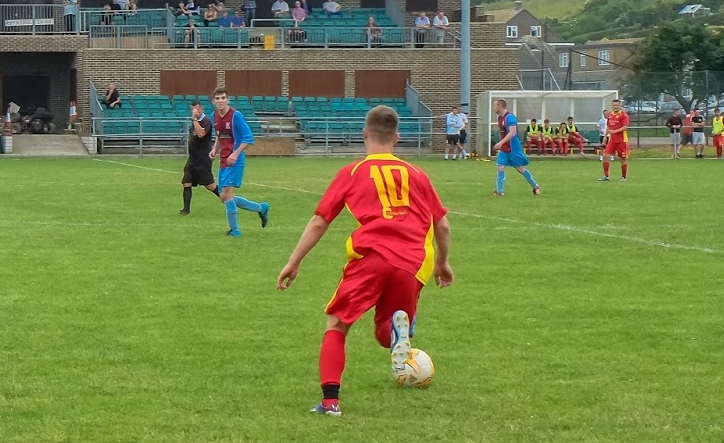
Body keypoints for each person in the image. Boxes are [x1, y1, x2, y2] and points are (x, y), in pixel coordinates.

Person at [276, 105, 454, 418]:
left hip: (371, 257)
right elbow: (442, 224)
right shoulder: (417, 174)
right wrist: (442, 263)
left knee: (337, 324)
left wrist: (294, 261)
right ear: (397, 137)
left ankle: (331, 403)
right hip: (412, 262)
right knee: (386, 333)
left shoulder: (353, 172)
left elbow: (320, 221)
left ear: (364, 134)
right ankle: (402, 332)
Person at [209, 88, 269, 236]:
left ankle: (235, 231)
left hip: (235, 161)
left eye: (223, 98)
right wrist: (214, 149)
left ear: (228, 100)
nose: (221, 101)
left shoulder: (236, 116)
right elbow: (220, 135)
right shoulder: (214, 116)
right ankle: (260, 208)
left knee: (227, 194)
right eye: (218, 98)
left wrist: (235, 154)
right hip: (223, 160)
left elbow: (248, 138)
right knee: (224, 197)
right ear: (213, 101)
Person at [491, 98, 542, 196]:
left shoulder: (509, 117)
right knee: (500, 167)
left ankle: (535, 186)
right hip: (504, 149)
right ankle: (499, 191)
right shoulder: (499, 118)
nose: (494, 108)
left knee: (520, 168)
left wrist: (500, 143)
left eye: (495, 105)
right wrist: (501, 144)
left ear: (500, 106)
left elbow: (512, 132)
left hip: (513, 148)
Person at [179, 101, 222, 215]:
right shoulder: (196, 122)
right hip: (193, 159)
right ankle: (186, 210)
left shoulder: (205, 121)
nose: (194, 111)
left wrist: (194, 120)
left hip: (203, 160)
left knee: (210, 186)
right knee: (186, 182)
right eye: (193, 109)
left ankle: (229, 200)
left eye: (197, 109)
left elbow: (201, 134)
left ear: (201, 109)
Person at [600, 98, 631, 182]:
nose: (615, 107)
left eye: (617, 105)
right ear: (612, 106)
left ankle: (623, 177)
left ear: (620, 106)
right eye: (614, 105)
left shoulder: (624, 115)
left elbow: (625, 127)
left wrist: (614, 131)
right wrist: (605, 137)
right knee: (605, 156)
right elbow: (608, 127)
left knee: (622, 159)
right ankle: (606, 176)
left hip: (622, 141)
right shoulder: (610, 114)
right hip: (612, 140)